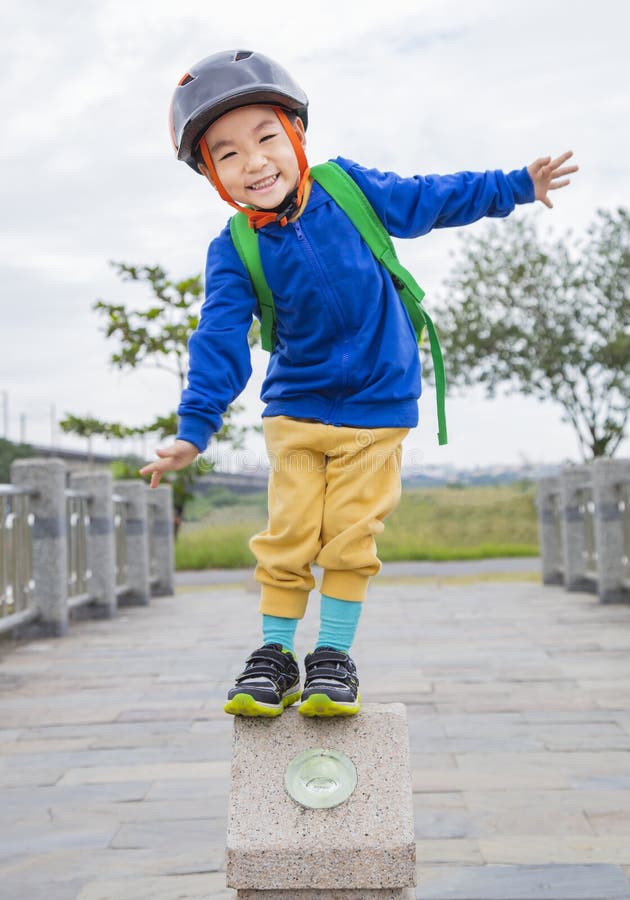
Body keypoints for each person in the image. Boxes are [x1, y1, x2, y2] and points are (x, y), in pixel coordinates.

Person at [140, 49, 577, 719]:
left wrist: (514, 185)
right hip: (296, 410)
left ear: (297, 137)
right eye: (226, 154)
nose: (253, 162)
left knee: (348, 535)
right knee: (288, 534)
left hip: (378, 407)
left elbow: (432, 197)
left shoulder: (348, 188)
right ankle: (275, 656)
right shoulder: (235, 245)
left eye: (265, 138)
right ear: (211, 174)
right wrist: (193, 429)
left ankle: (332, 658)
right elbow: (219, 339)